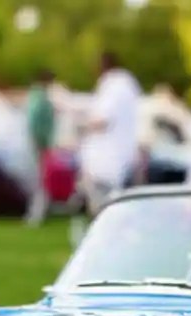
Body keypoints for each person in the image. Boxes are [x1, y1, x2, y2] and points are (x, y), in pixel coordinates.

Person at [79, 52, 141, 214]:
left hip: (105, 162)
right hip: (124, 158)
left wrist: (82, 126)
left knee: (103, 210)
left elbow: (102, 120)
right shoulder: (128, 84)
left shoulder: (113, 85)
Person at [24, 69, 56, 226]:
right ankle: (36, 214)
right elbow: (35, 123)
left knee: (41, 180)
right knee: (41, 180)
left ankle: (38, 213)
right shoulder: (40, 98)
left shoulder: (36, 97)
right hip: (40, 145)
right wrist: (41, 143)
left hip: (39, 144)